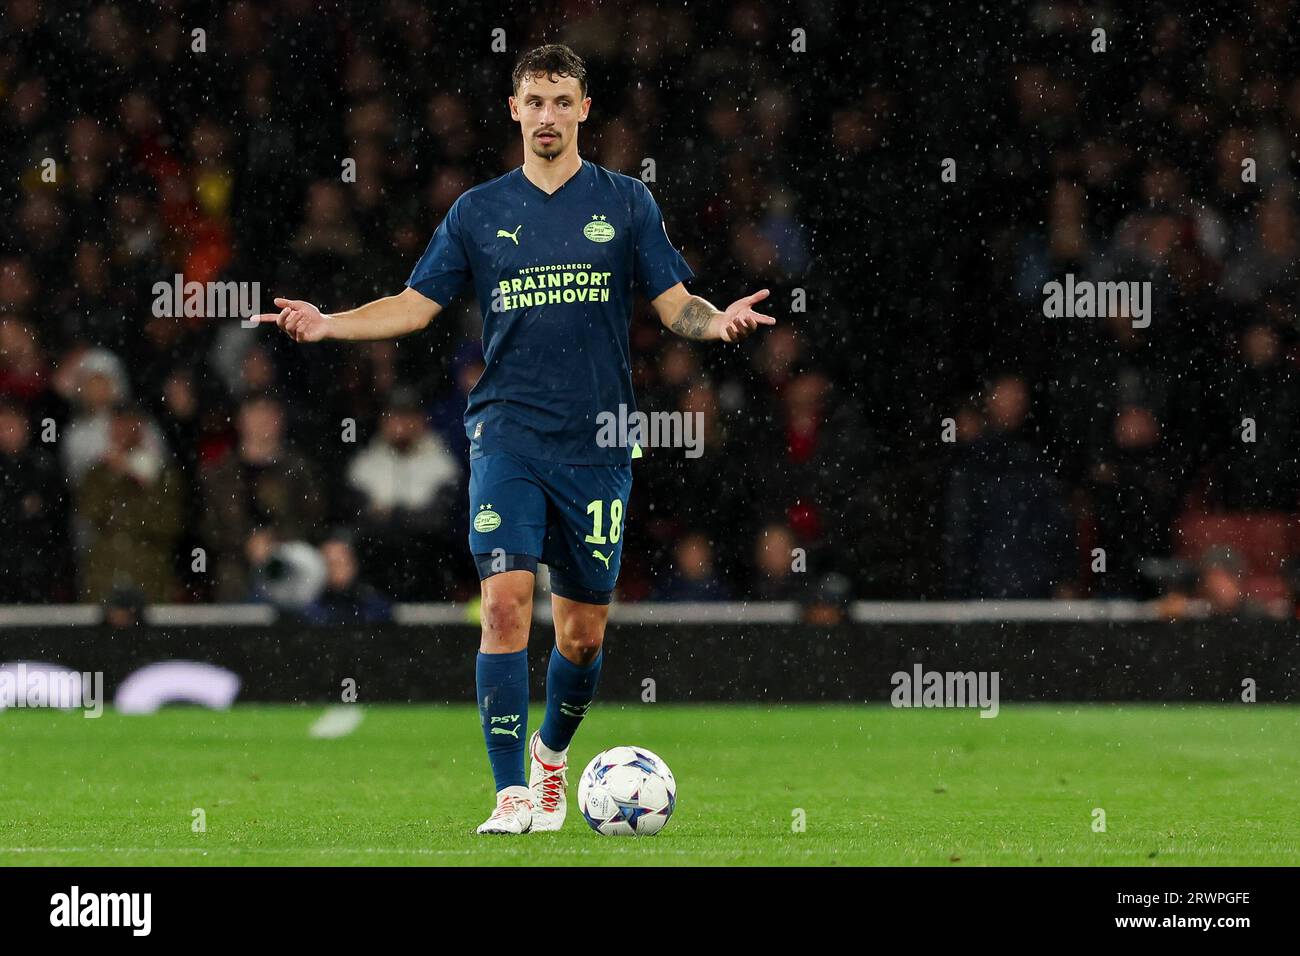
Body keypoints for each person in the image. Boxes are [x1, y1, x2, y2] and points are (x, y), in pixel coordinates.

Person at [252, 44, 775, 834]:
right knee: (503, 606)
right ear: (514, 111)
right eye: (535, 102)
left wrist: (718, 321)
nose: (548, 118)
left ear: (585, 111)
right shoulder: (478, 211)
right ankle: (509, 794)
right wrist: (328, 324)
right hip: (507, 435)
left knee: (583, 635)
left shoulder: (626, 203)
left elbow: (676, 306)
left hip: (598, 443)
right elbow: (414, 303)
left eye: (563, 102)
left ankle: (552, 759)